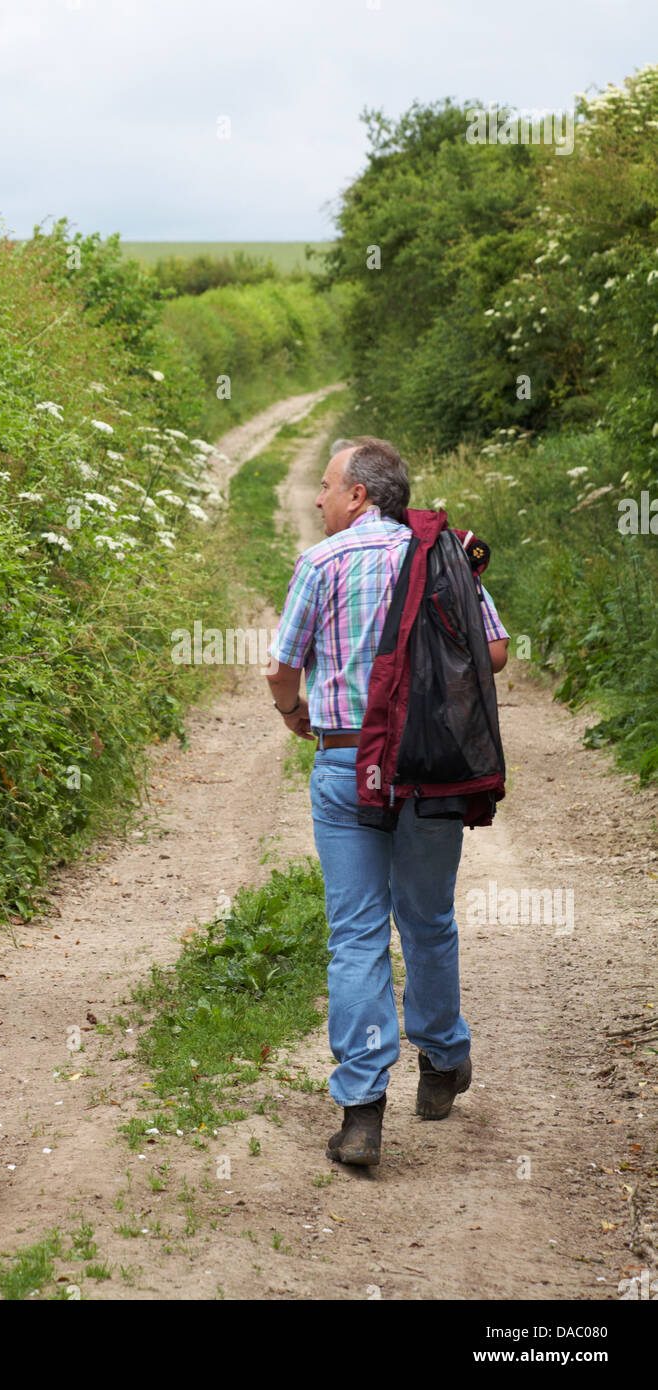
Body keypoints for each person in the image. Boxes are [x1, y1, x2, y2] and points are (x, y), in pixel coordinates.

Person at [266, 437, 509, 1168]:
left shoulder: (322, 563)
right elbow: (494, 652)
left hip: (347, 765)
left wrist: (294, 712)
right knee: (428, 919)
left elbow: (282, 668)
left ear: (360, 494)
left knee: (358, 933)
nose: (318, 498)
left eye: (327, 485)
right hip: (433, 769)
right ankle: (441, 1061)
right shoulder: (441, 554)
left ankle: (362, 1114)